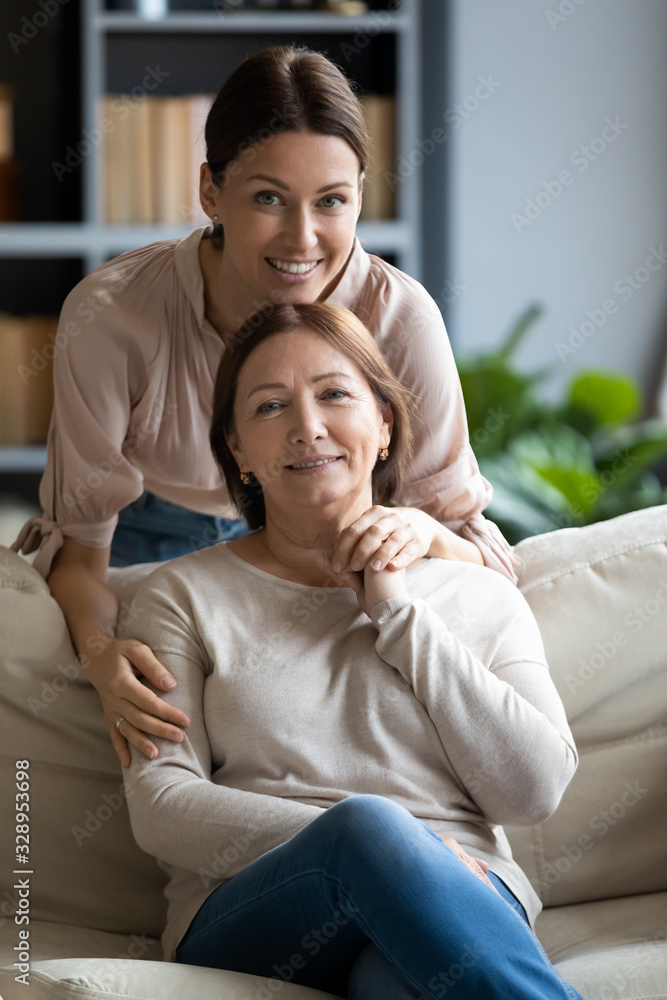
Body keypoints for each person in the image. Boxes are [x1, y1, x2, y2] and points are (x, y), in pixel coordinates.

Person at [12, 44, 517, 771]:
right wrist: (99, 653)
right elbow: (82, 553)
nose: (302, 239)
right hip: (154, 533)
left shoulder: (400, 318)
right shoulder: (113, 315)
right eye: (267, 198)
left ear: (361, 196)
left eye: (332, 201)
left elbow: (473, 558)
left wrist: (415, 530)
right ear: (211, 193)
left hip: (336, 537)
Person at [120, 302, 583, 1000]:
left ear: (385, 425)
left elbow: (534, 790)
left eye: (334, 394)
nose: (307, 427)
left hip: (468, 897)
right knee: (367, 828)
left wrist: (398, 613)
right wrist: (385, 847)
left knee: (393, 983)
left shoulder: (476, 593)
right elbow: (160, 803)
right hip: (257, 912)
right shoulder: (182, 596)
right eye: (271, 406)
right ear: (239, 450)